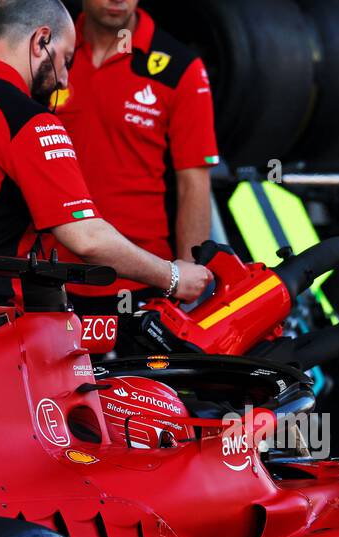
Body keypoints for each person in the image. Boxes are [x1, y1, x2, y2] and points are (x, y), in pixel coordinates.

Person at [0, 0, 211, 365]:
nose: (63, 79)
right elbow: (87, 238)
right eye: (64, 60)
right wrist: (173, 276)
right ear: (40, 41)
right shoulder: (27, 120)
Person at [51, 0, 219, 345]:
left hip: (142, 280)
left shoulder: (178, 68)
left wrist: (187, 277)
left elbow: (194, 181)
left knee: (137, 397)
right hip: (48, 277)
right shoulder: (46, 51)